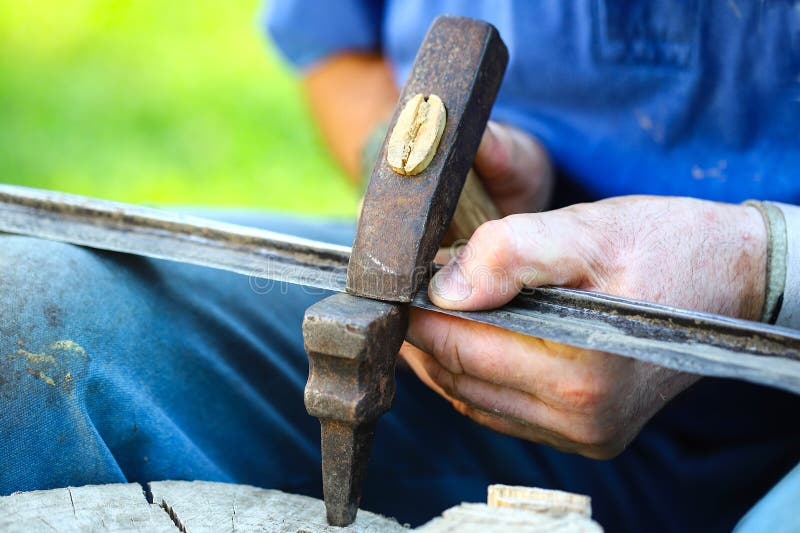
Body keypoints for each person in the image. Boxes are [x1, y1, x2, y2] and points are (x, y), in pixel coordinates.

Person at [0, 1, 797, 532]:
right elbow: (337, 46)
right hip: (470, 339)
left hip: (783, 408)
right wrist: (442, 180)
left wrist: (762, 268)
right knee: (23, 320)